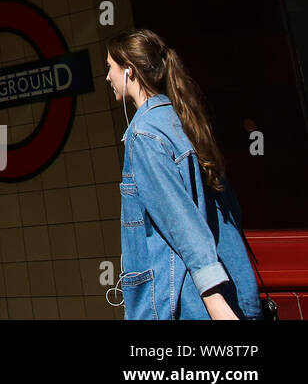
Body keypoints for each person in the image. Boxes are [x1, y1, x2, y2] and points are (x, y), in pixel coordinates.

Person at [106, 28, 262, 320]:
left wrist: (215, 302)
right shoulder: (186, 122)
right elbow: (230, 216)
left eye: (110, 68)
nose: (107, 78)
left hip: (183, 302)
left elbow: (179, 221)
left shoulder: (145, 134)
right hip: (235, 292)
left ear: (129, 71)